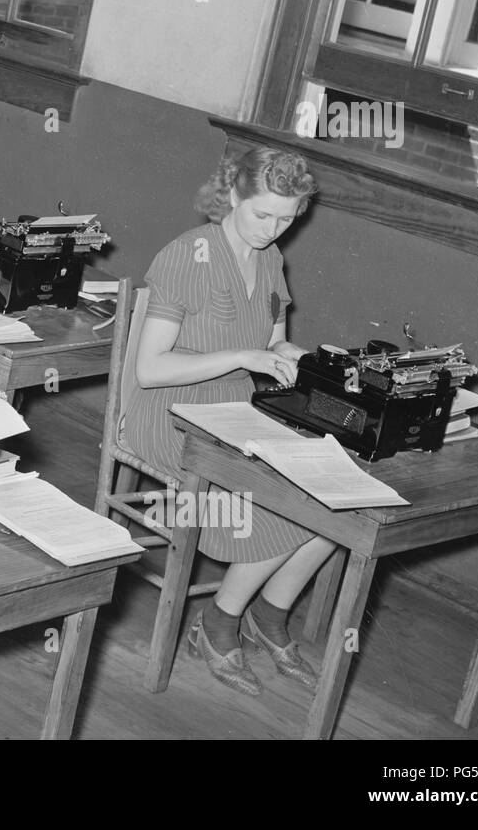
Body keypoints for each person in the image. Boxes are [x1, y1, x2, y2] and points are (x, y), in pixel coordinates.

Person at [126, 145, 335, 696]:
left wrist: (309, 360)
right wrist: (244, 358)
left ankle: (269, 613)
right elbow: (149, 370)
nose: (273, 229)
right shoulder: (184, 255)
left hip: (234, 413)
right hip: (170, 415)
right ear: (232, 195)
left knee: (340, 503)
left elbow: (271, 342)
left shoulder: (270, 262)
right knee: (288, 508)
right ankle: (219, 623)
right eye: (261, 214)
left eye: (288, 219)